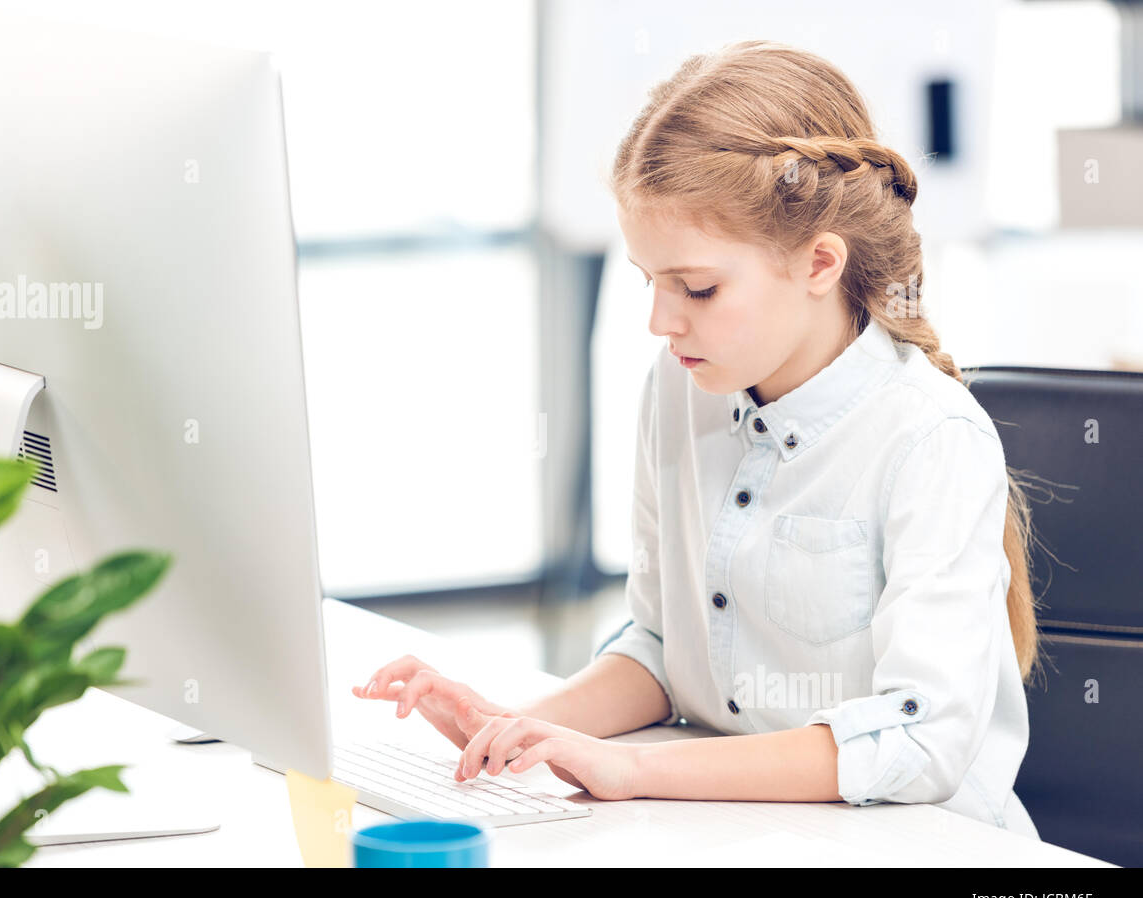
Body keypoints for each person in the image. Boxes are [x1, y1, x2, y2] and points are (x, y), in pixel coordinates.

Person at [353, 40, 1045, 837]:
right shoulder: (682, 385)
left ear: (820, 261)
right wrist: (510, 724)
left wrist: (637, 770)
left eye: (699, 287)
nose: (660, 321)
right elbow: (662, 650)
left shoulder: (932, 440)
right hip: (735, 827)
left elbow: (917, 742)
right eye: (651, 281)